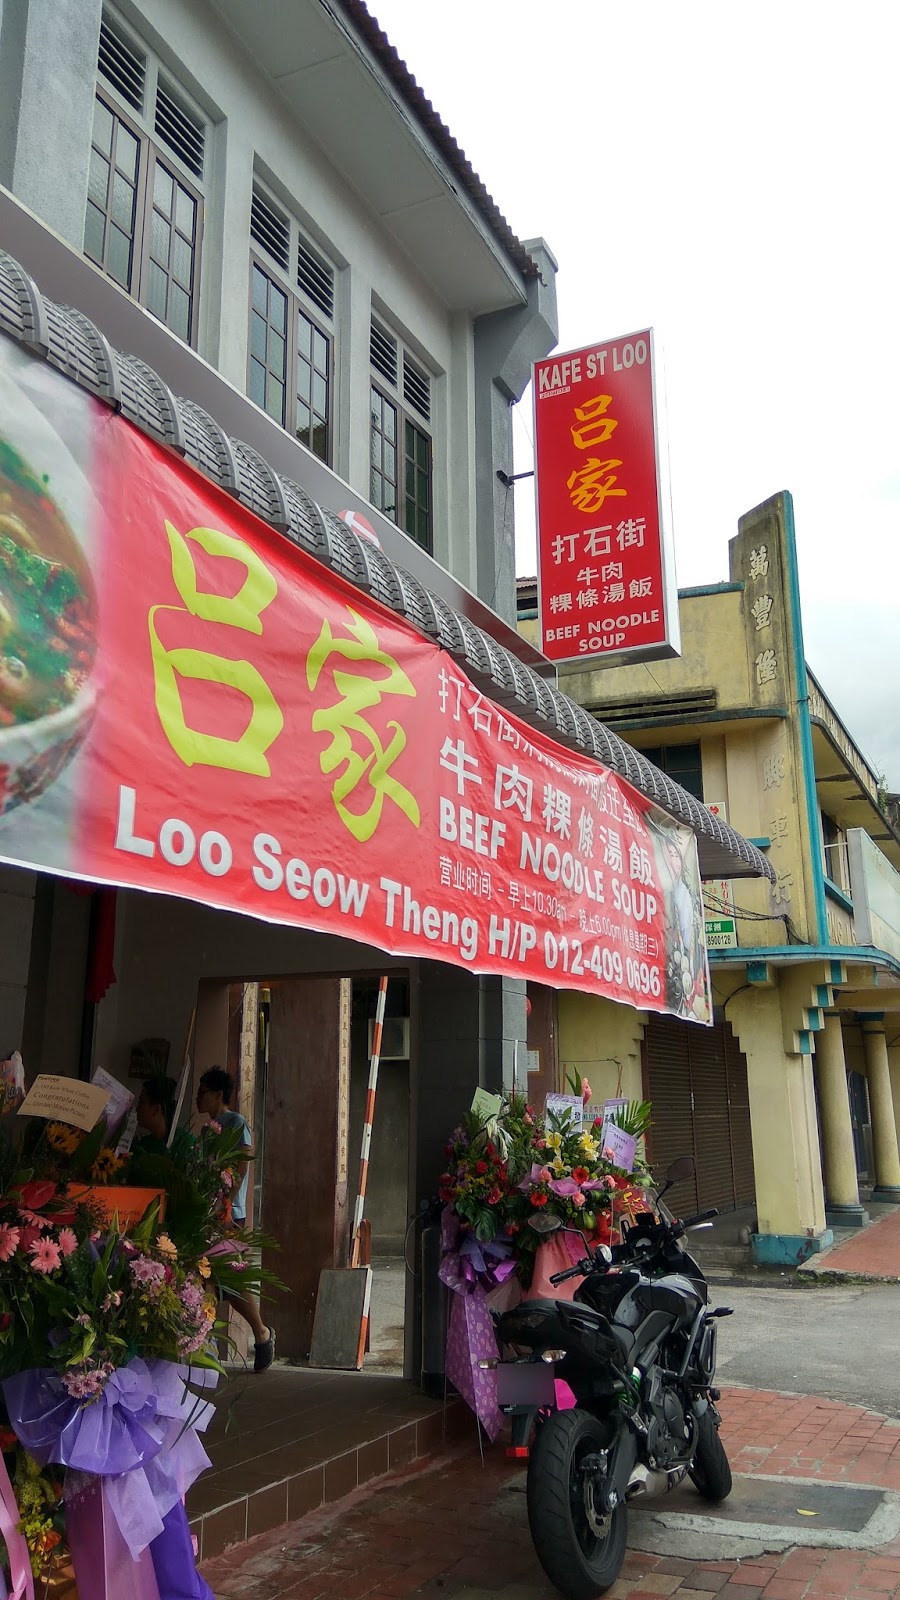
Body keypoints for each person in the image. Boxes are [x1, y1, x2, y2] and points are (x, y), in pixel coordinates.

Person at [196, 1066, 275, 1373]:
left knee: (229, 1279)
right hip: (207, 1214)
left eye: (203, 1092)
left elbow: (241, 1168)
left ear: (218, 1094)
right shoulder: (206, 1129)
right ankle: (208, 1344)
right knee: (208, 1278)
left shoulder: (236, 1123)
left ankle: (261, 1333)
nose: (198, 1098)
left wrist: (225, 1207)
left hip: (228, 1217)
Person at [135, 1077, 194, 1158]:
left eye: (141, 1102)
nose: (137, 1108)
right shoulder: (144, 1145)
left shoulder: (185, 1144)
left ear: (156, 1110)